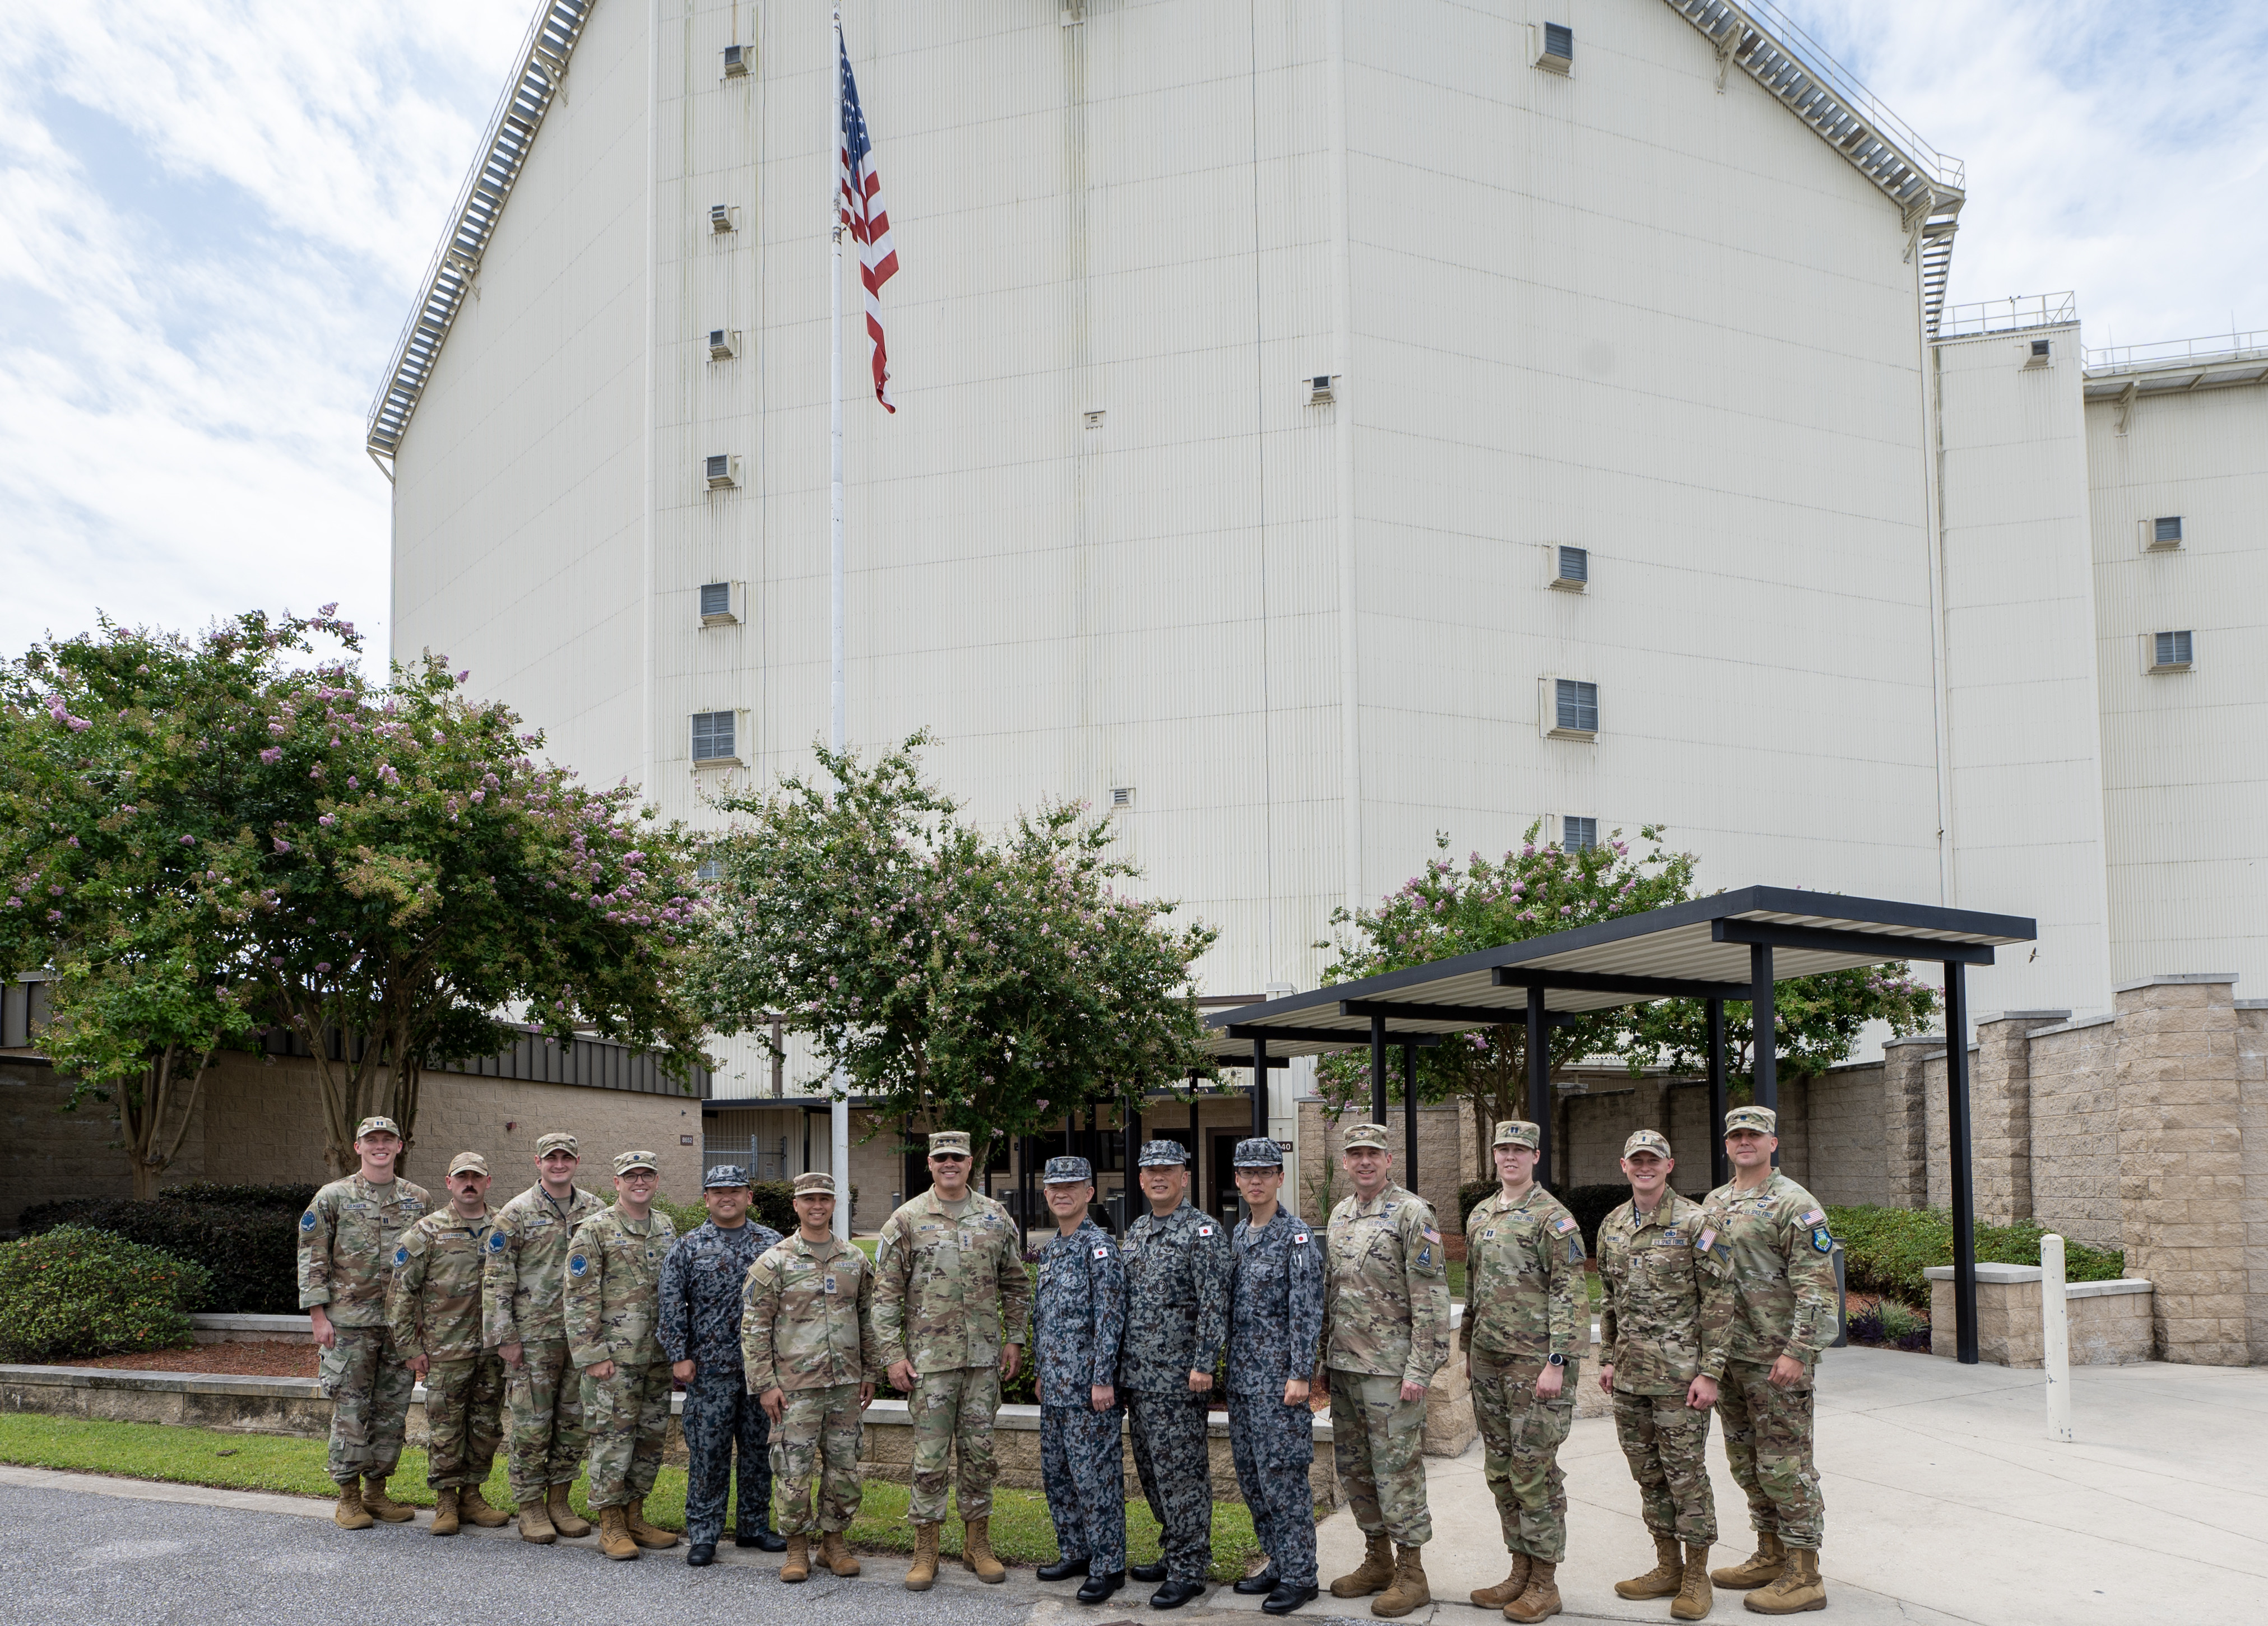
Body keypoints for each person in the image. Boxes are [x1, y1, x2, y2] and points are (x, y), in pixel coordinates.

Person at [872, 1129, 1033, 1591]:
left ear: (969, 1163)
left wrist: (1015, 1340)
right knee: (930, 1459)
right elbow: (885, 1296)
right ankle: (926, 1551)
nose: (949, 1164)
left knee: (980, 1456)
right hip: (930, 1365)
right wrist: (892, 1357)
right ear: (929, 1162)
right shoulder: (906, 1220)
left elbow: (1016, 1284)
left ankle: (976, 1545)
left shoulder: (994, 1216)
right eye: (941, 1157)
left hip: (983, 1360)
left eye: (957, 1158)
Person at [1695, 1106, 1837, 1615]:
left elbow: (1818, 1289)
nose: (1744, 1142)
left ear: (1772, 1143)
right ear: (1727, 1143)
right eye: (1736, 1135)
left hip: (1775, 1359)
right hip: (1729, 1358)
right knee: (1747, 1463)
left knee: (1785, 1466)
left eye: (1753, 1135)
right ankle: (1770, 1553)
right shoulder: (1714, 1202)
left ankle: (1805, 1573)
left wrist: (1798, 1351)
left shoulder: (1794, 1204)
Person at [1320, 1122, 1449, 1619]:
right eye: (1355, 1155)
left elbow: (1431, 1296)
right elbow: (1334, 1292)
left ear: (1388, 1160)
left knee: (1397, 1473)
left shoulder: (1413, 1213)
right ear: (1347, 1162)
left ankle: (1411, 1573)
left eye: (1373, 1153)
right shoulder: (1340, 1213)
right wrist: (1324, 1361)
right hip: (1347, 1367)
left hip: (1392, 1373)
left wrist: (1421, 1367)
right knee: (1355, 1470)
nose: (1364, 1162)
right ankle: (1376, 1560)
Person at [1462, 1119, 1586, 1623]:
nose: (1510, 1157)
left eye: (1519, 1150)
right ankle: (1518, 1569)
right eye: (1502, 1149)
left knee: (1534, 1473)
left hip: (1535, 1366)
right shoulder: (1481, 1213)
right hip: (1489, 1362)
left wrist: (1557, 1362)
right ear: (1494, 1156)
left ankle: (1544, 1583)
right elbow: (1472, 1288)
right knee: (1501, 1473)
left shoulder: (1553, 1219)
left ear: (1535, 1157)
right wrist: (1468, 1350)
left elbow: (1569, 1295)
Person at [1597, 1129, 1722, 1621]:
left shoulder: (1696, 1222)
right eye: (1636, 1161)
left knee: (1685, 1477)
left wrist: (1710, 1372)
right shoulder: (1611, 1225)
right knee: (1647, 1475)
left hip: (1679, 1379)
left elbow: (1720, 1301)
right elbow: (1608, 1298)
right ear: (1623, 1167)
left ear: (1669, 1166)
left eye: (1654, 1160)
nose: (1644, 1167)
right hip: (1629, 1378)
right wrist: (1607, 1358)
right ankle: (1666, 1565)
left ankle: (1696, 1576)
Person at [743, 1171, 880, 1583]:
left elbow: (868, 1320)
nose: (817, 1206)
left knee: (844, 1469)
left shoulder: (854, 1259)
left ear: (834, 1204)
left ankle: (834, 1545)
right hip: (793, 1389)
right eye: (809, 1200)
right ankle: (797, 1549)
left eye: (824, 1199)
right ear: (796, 1206)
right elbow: (754, 1327)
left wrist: (870, 1370)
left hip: (843, 1386)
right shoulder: (775, 1261)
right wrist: (765, 1384)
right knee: (792, 1471)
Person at [298, 1115, 432, 1529]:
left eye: (387, 1140)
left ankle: (376, 1492)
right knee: (351, 1411)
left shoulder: (418, 1198)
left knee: (392, 1411)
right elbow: (312, 1255)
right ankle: (348, 1497)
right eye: (371, 1140)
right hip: (349, 1323)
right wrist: (318, 1316)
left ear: (399, 1147)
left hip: (399, 1327)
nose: (379, 1146)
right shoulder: (333, 1196)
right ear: (358, 1147)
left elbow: (429, 1263)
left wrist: (423, 1322)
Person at [1119, 1139, 1232, 1611]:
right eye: (1150, 1171)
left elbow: (1213, 1303)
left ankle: (1189, 1569)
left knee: (1182, 1476)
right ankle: (1173, 1553)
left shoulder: (1201, 1231)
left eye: (1168, 1169)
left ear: (1184, 1177)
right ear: (1142, 1179)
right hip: (1139, 1378)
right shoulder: (1139, 1229)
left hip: (1179, 1380)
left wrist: (1205, 1364)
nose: (1158, 1177)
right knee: (1151, 1473)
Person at [660, 1164, 787, 1566]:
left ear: (749, 1196)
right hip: (709, 1370)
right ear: (706, 1199)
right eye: (718, 1192)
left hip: (761, 1371)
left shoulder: (773, 1244)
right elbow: (669, 1305)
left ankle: (753, 1526)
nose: (726, 1197)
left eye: (734, 1190)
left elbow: (789, 1304)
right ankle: (703, 1533)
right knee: (708, 1453)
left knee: (757, 1451)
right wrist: (678, 1356)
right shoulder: (688, 1245)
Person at [483, 1130, 606, 1544]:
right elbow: (496, 1278)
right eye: (550, 1158)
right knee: (532, 1425)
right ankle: (531, 1506)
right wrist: (505, 1337)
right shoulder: (514, 1213)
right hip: (533, 1337)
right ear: (537, 1163)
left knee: (573, 1422)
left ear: (576, 1161)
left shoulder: (596, 1209)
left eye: (565, 1157)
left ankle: (559, 1500)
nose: (558, 1164)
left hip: (581, 1336)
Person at [564, 1149, 680, 1560]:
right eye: (631, 1176)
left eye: (647, 1175)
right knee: (612, 1440)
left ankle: (635, 1514)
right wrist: (592, 1353)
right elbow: (578, 1297)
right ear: (617, 1183)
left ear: (656, 1180)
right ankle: (610, 1523)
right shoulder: (594, 1230)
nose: (640, 1182)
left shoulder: (665, 1226)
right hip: (614, 1358)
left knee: (649, 1439)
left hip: (656, 1356)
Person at [385, 1150, 509, 1536]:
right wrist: (409, 1349)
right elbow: (400, 1295)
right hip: (446, 1350)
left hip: (493, 1350)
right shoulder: (426, 1232)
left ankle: (472, 1495)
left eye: (476, 1177)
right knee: (446, 1428)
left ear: (488, 1182)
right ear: (449, 1183)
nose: (469, 1183)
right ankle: (446, 1501)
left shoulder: (504, 1228)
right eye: (462, 1177)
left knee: (486, 1426)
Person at [1226, 1136, 1325, 1617]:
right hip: (1243, 1383)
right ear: (1238, 1179)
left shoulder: (1296, 1236)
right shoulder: (1239, 1234)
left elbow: (1307, 1312)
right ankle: (1277, 1561)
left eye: (1264, 1172)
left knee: (1284, 1480)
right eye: (1247, 1173)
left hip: (1280, 1384)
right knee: (1253, 1479)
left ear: (1280, 1178)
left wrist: (1300, 1375)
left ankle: (1301, 1575)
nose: (1255, 1180)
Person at [1031, 1155, 1129, 1607]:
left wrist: (1102, 1379)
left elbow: (1111, 1319)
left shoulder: (1099, 1247)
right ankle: (1075, 1551)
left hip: (1089, 1391)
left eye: (1071, 1185)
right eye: (1054, 1187)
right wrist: (1039, 1372)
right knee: (1059, 1477)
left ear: (1089, 1193)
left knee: (1096, 1480)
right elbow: (1043, 1319)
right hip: (1054, 1388)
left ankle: (1108, 1565)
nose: (1061, 1193)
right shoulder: (1051, 1249)